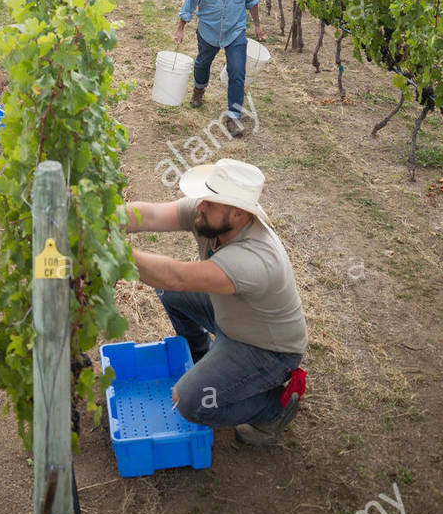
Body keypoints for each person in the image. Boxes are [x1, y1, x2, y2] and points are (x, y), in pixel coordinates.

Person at [120, 157, 307, 447]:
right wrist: (99, 219)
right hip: (232, 317)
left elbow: (175, 276)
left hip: (267, 350)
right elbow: (152, 215)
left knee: (187, 401)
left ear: (238, 213)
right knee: (169, 292)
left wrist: (112, 251)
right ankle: (202, 356)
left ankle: (273, 409)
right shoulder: (210, 215)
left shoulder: (253, 259)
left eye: (210, 202)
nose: (200, 205)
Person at [175, 0, 265, 138]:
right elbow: (190, 0)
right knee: (202, 64)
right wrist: (180, 28)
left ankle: (233, 116)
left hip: (235, 29)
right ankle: (199, 90)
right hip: (209, 28)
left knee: (237, 71)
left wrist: (257, 24)